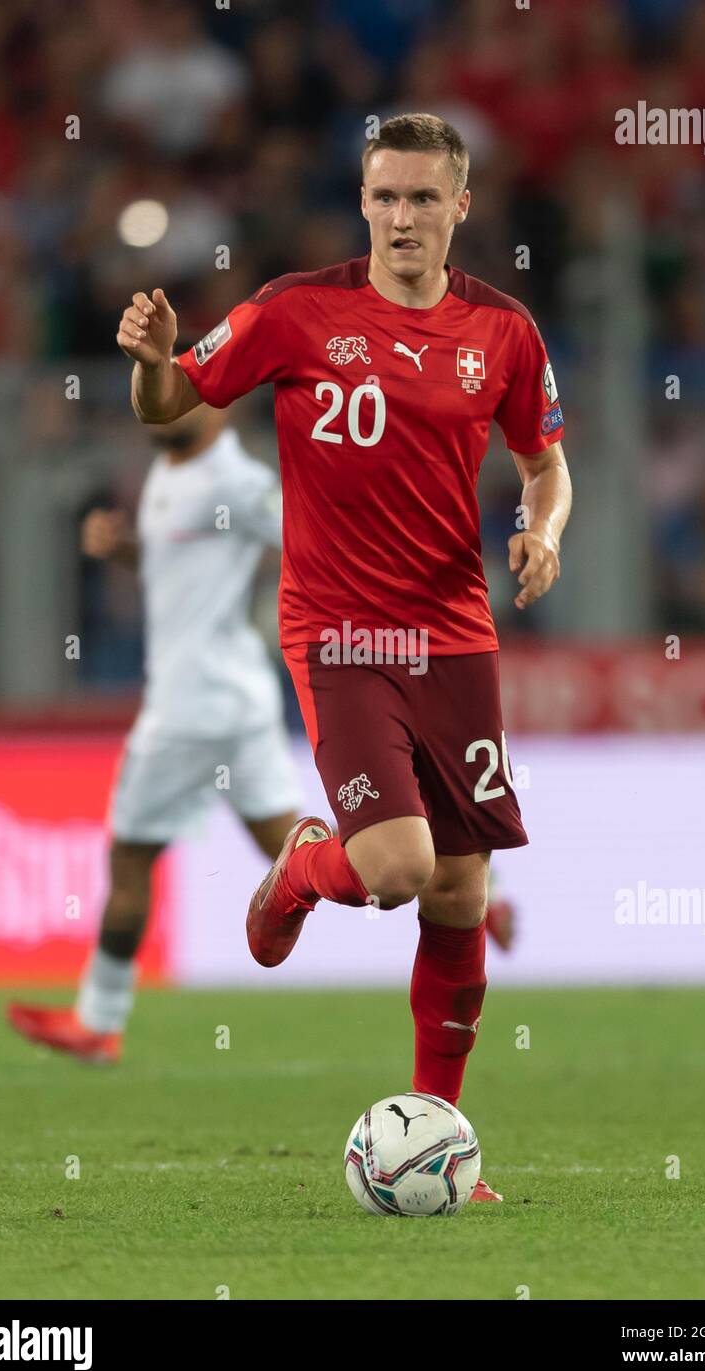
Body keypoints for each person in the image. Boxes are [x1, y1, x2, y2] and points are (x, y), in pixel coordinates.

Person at [116, 114, 572, 1200]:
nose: (401, 217)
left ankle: (443, 1139)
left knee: (459, 892)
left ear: (460, 207)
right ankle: (302, 868)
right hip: (339, 632)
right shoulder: (295, 310)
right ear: (361, 203)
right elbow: (171, 402)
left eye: (423, 198)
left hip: (453, 635)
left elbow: (544, 462)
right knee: (398, 869)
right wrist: (144, 366)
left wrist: (542, 531)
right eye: (384, 197)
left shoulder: (502, 331)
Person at [7, 404, 301, 1062]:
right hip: (237, 698)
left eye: (179, 391)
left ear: (217, 405)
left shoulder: (233, 479)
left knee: (131, 859)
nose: (158, 404)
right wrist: (127, 551)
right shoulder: (171, 472)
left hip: (188, 709)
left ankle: (99, 1021)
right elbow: (183, 573)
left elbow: (308, 532)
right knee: (291, 854)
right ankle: (450, 889)